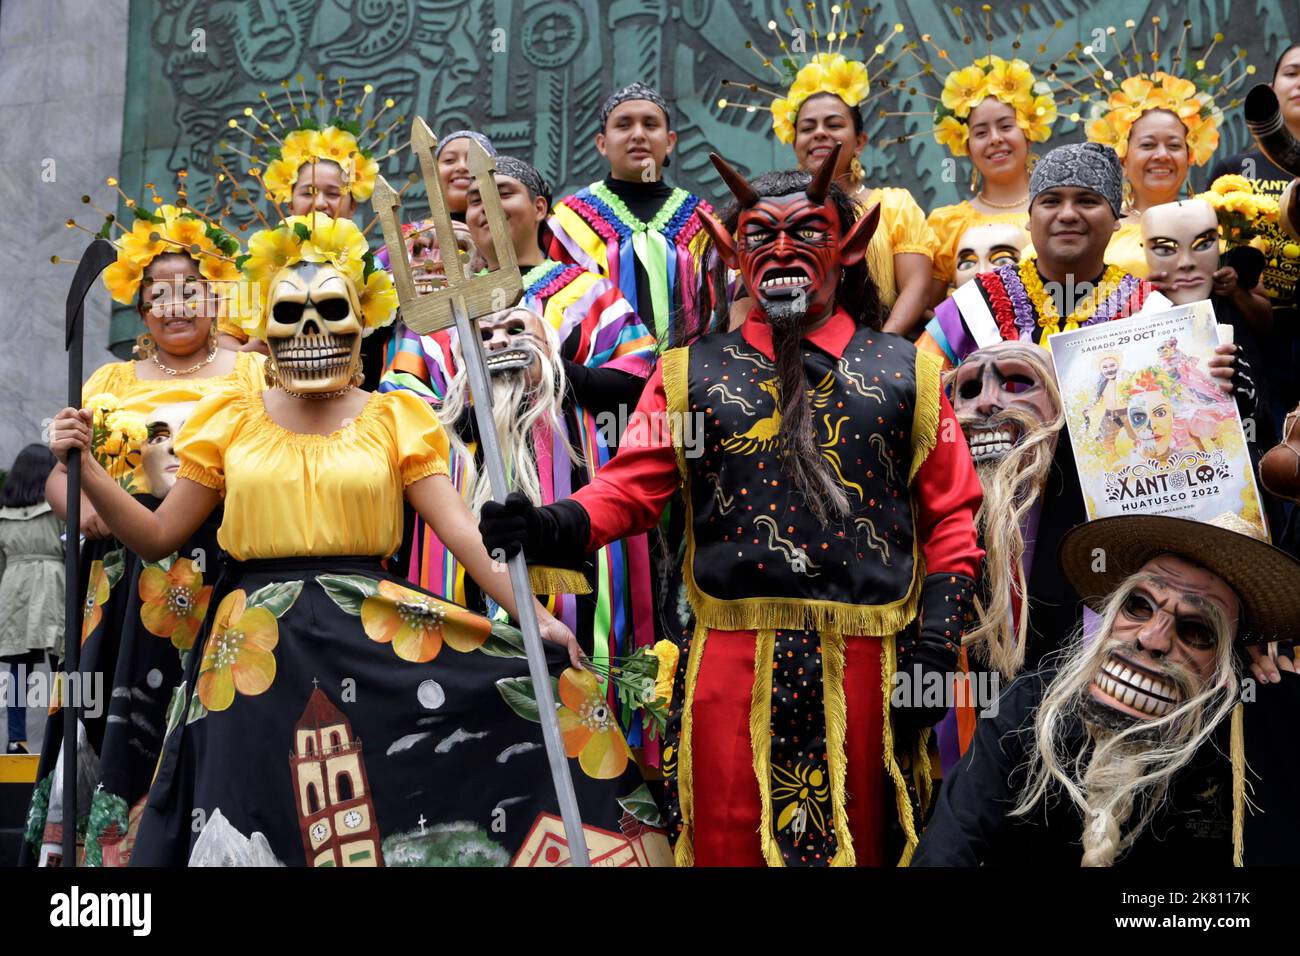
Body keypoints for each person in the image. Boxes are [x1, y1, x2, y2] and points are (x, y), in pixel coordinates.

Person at [47, 213, 665, 867]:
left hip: (368, 638)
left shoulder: (394, 417)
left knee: (372, 816)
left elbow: (462, 536)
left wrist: (536, 621)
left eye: (331, 310)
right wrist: (85, 465)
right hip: (252, 653)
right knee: (249, 821)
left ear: (360, 323)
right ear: (266, 329)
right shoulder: (227, 418)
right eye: (292, 312)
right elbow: (154, 535)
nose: (312, 329)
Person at [482, 149, 984, 867]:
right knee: (726, 844)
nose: (781, 251)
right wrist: (548, 523)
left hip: (869, 668)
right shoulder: (689, 373)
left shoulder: (909, 371)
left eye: (806, 231)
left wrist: (934, 650)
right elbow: (633, 487)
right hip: (730, 669)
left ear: (847, 245)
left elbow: (953, 520)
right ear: (730, 253)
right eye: (759, 235)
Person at [915, 512, 1300, 866]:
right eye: (1139, 606)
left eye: (1195, 630)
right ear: (1113, 610)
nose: (1151, 638)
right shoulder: (1031, 706)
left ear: (1225, 664)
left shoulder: (1254, 732)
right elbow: (950, 846)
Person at [1077, 32, 1272, 334]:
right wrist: (1137, 297)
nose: (1161, 155)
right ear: (1123, 159)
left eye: (1173, 145)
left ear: (1190, 154)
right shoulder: (1103, 229)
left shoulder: (1224, 221)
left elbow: (1265, 324)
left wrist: (1234, 289)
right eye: (1147, 145)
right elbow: (1075, 317)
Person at [548, 83, 712, 347]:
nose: (638, 135)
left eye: (650, 124)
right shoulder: (567, 223)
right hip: (599, 377)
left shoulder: (702, 220)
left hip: (692, 376)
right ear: (602, 143)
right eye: (623, 125)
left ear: (670, 142)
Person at [1209, 43, 1300, 428]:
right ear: (1272, 86)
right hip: (1252, 333)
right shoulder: (1234, 168)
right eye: (1292, 73)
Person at [926, 53, 1063, 305]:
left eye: (1006, 126)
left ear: (1028, 135)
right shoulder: (948, 225)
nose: (995, 139)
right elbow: (929, 308)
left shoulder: (1059, 213)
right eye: (980, 132)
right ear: (966, 146)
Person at [0, 445, 63, 755]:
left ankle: (16, 738)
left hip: (13, 589)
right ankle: (67, 732)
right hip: (54, 585)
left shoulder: (3, 516)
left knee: (19, 670)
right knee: (63, 665)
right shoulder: (58, 509)